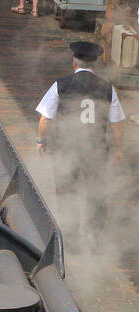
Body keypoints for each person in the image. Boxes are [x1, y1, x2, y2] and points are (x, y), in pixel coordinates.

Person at [35, 40, 125, 234]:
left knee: (67, 190)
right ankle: (96, 235)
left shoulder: (61, 85)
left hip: (66, 147)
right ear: (95, 64)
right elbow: (116, 123)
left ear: (74, 62)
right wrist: (118, 149)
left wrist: (41, 141)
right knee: (96, 192)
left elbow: (45, 119)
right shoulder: (108, 88)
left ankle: (70, 234)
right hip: (97, 149)